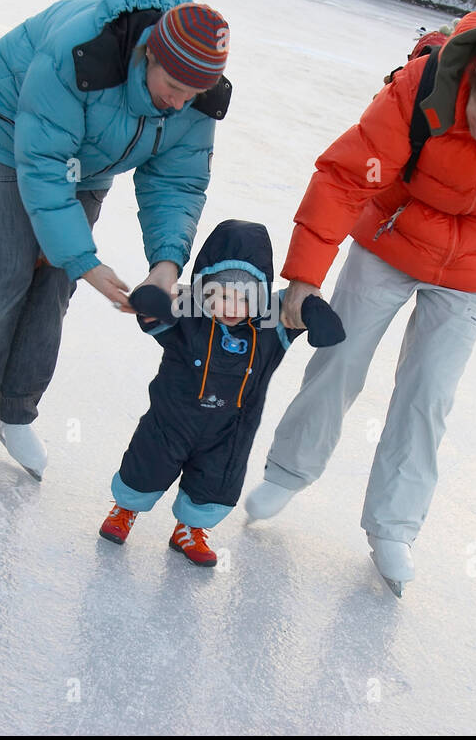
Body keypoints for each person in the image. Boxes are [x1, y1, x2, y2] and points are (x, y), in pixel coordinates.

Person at [244, 7, 476, 596]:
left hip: (475, 265)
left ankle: (393, 528)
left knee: (429, 394)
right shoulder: (422, 89)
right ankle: (289, 472)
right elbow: (344, 176)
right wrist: (305, 276)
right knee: (340, 359)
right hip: (391, 236)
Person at [0, 0, 231, 483]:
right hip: (10, 127)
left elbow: (177, 183)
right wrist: (86, 260)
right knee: (12, 266)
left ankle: (14, 409)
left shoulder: (195, 94)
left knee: (54, 279)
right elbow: (44, 161)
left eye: (195, 92)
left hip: (91, 160)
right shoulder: (82, 53)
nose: (183, 102)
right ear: (149, 56)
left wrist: (165, 266)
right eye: (175, 87)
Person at [98, 219, 344, 566]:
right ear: (204, 291)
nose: (231, 306)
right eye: (221, 295)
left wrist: (315, 312)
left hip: (230, 429)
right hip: (173, 420)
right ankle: (126, 509)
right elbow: (156, 309)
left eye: (243, 299)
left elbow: (297, 306)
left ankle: (190, 530)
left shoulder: (269, 326)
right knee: (147, 464)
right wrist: (149, 299)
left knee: (215, 480)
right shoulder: (189, 313)